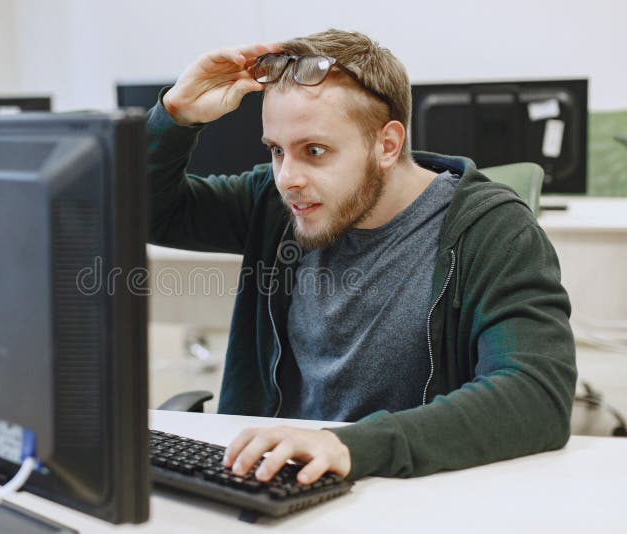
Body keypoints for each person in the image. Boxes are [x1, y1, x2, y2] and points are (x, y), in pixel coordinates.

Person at [146, 29, 576, 486]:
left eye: (314, 151)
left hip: (409, 492)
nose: (287, 178)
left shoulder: (492, 231)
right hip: (275, 482)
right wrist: (175, 115)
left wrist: (350, 445)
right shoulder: (272, 207)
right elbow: (147, 213)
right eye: (276, 150)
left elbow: (535, 395)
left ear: (387, 145)